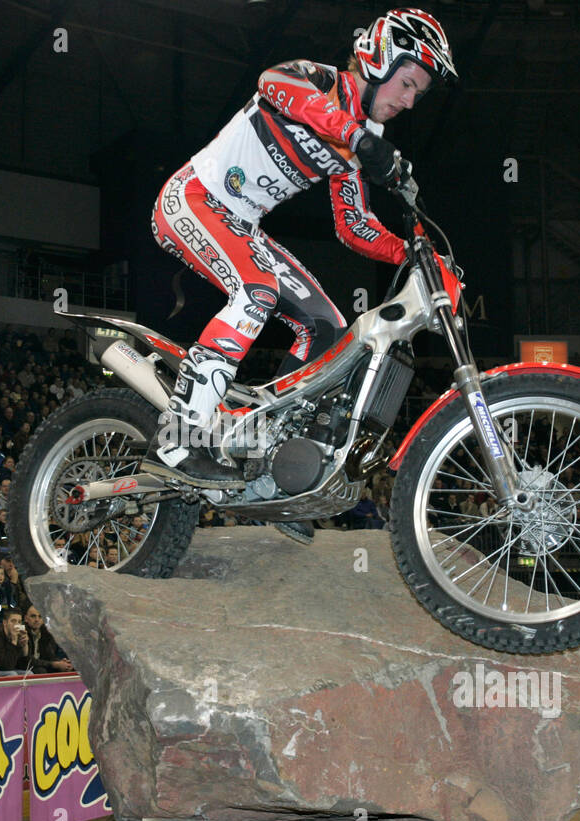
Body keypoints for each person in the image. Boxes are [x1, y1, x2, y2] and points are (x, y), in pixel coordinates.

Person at [141, 8, 455, 489]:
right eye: (407, 84)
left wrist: (411, 253)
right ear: (380, 60)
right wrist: (355, 137)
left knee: (327, 326)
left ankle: (271, 462)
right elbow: (272, 84)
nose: (410, 102)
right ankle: (176, 439)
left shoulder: (364, 141)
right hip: (192, 199)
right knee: (257, 289)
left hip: (241, 225)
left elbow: (354, 227)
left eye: (418, 93)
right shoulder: (317, 82)